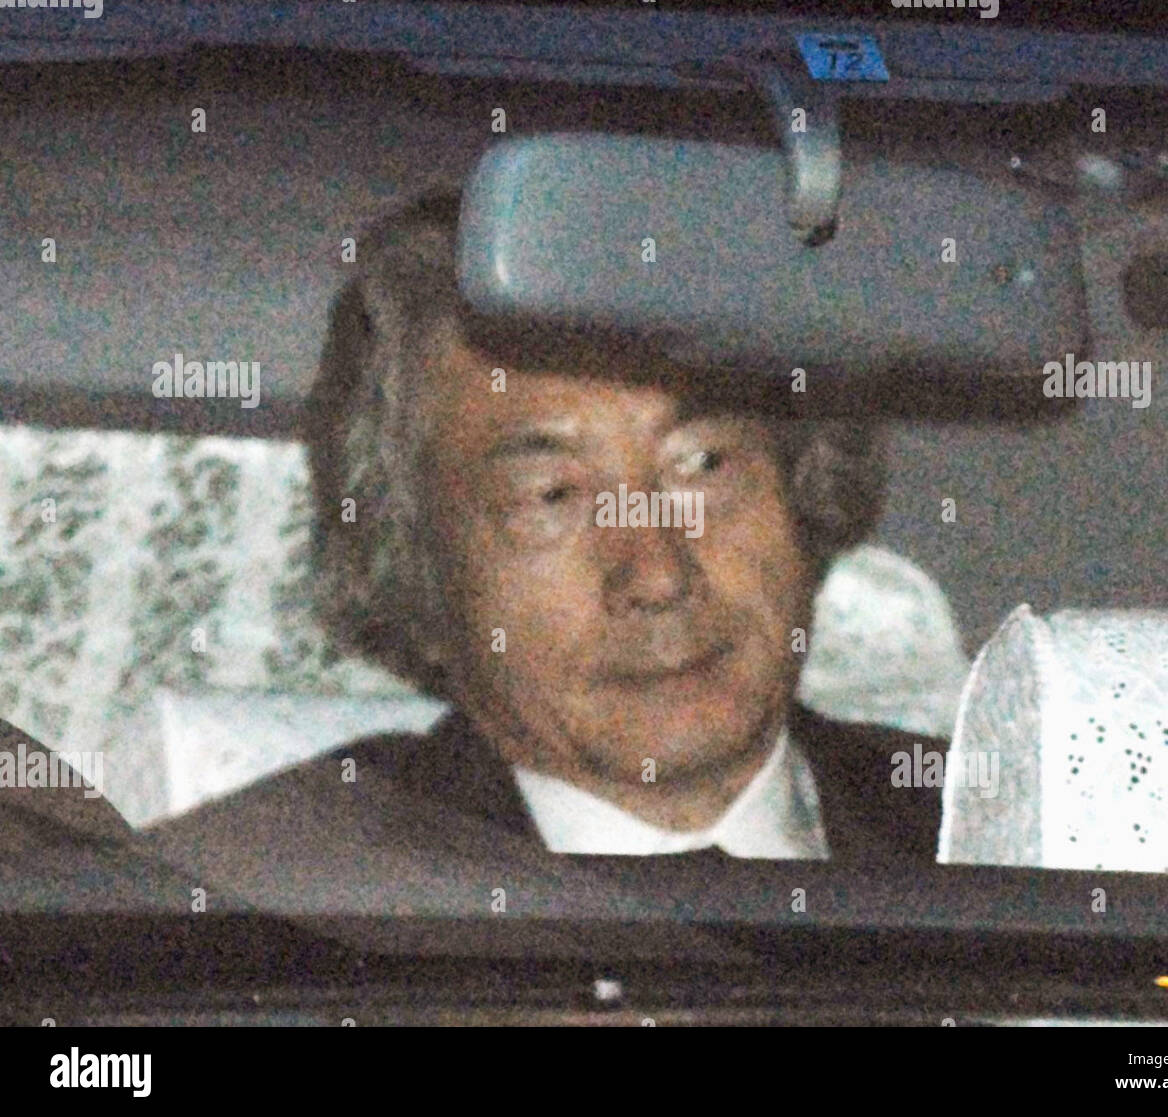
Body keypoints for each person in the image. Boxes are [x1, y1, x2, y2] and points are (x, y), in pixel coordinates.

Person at [146, 191, 949, 866]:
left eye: (703, 463)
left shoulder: (1016, 836)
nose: (657, 573)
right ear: (415, 567)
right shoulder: (260, 905)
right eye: (553, 496)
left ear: (801, 489)